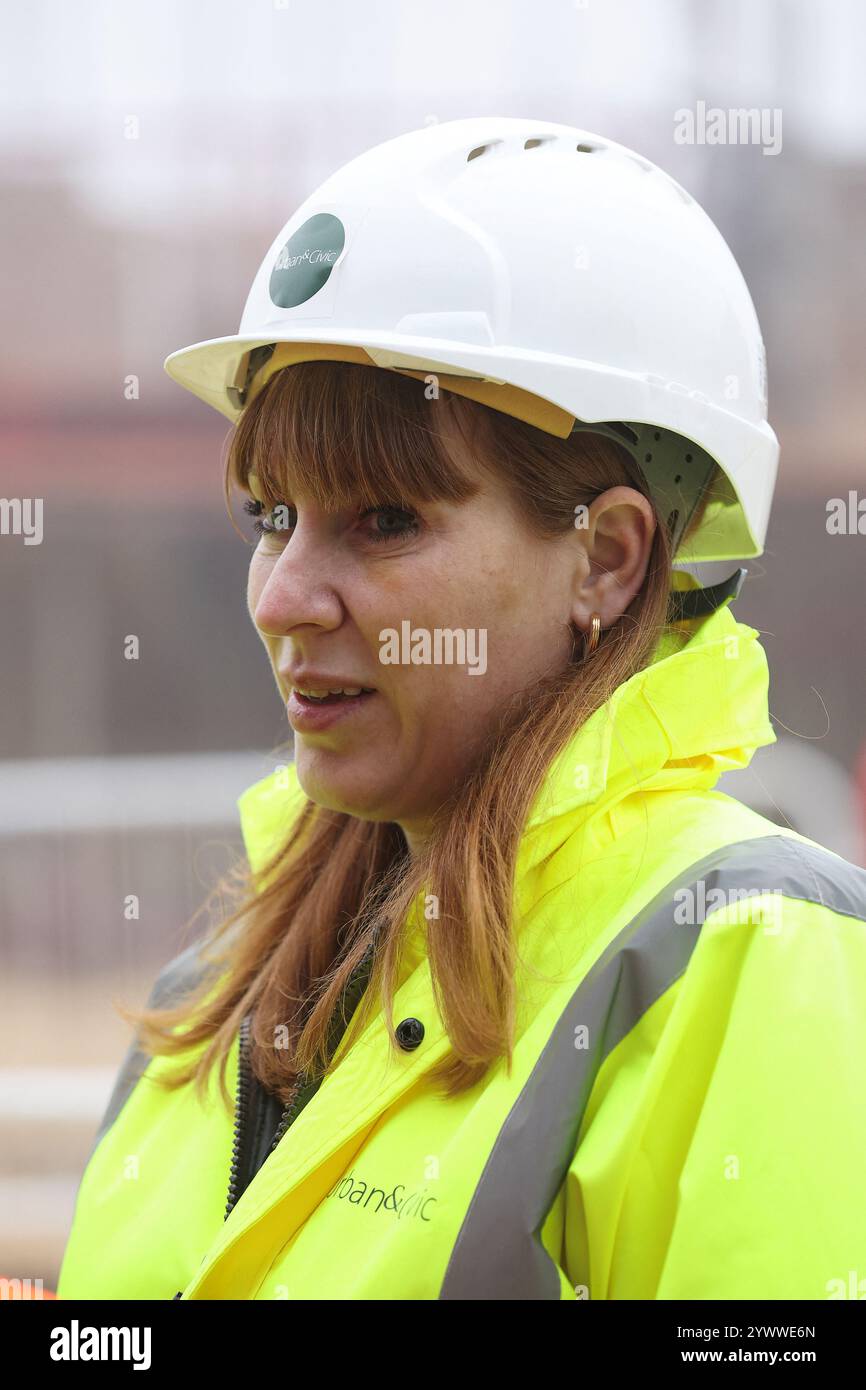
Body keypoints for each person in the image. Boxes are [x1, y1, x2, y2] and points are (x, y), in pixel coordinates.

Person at [57, 117, 866, 1301]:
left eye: (384, 518)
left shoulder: (750, 957)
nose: (283, 596)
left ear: (606, 560)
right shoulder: (217, 984)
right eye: (268, 516)